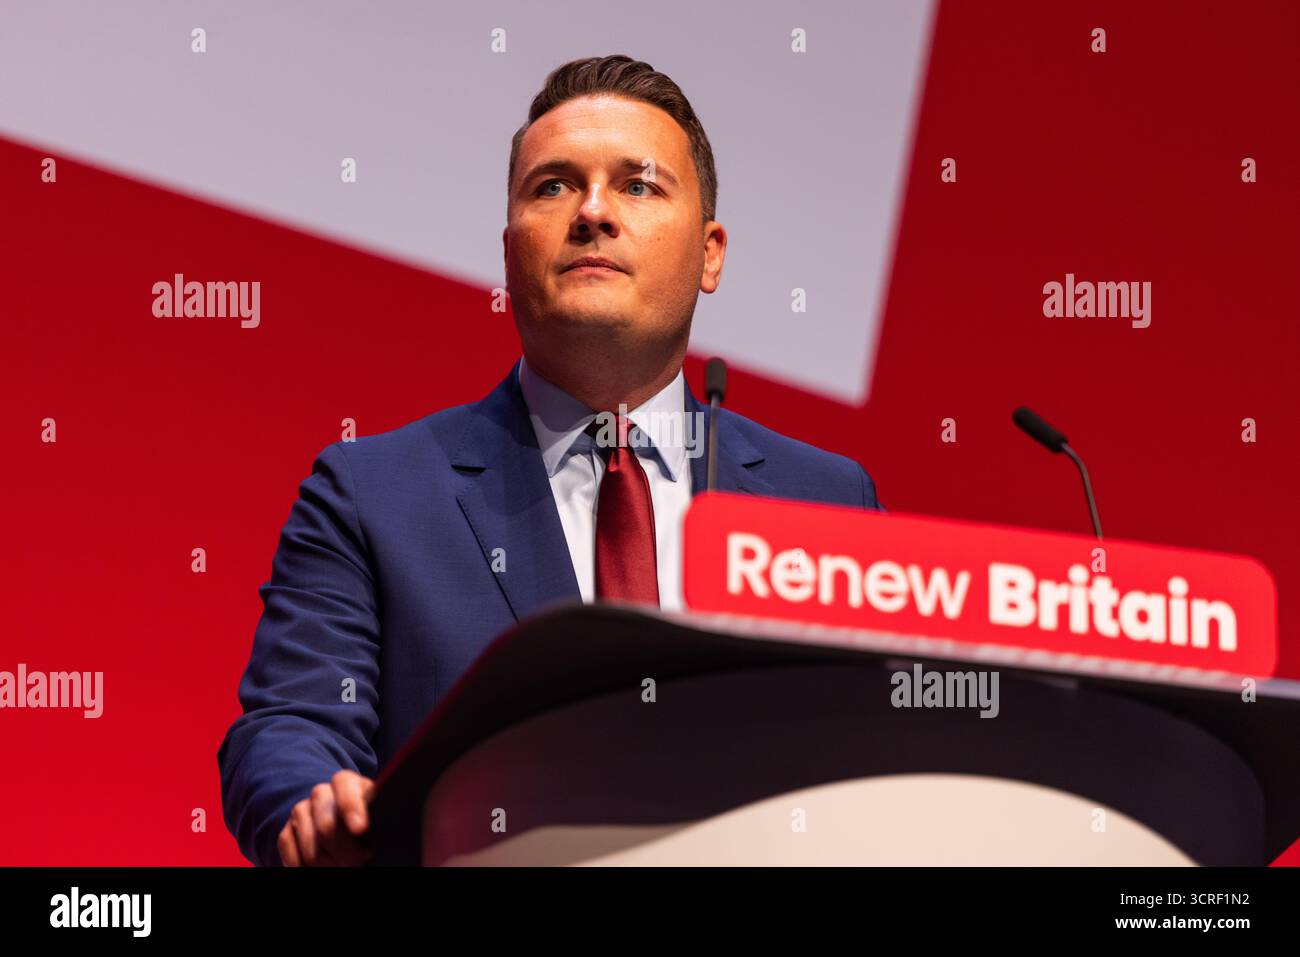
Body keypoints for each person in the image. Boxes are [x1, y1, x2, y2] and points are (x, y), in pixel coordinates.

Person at [217, 54, 882, 867]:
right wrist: (311, 807)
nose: (593, 212)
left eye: (638, 185)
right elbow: (290, 726)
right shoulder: (372, 496)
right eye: (554, 186)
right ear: (508, 253)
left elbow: (882, 759)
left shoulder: (826, 501)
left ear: (711, 253)